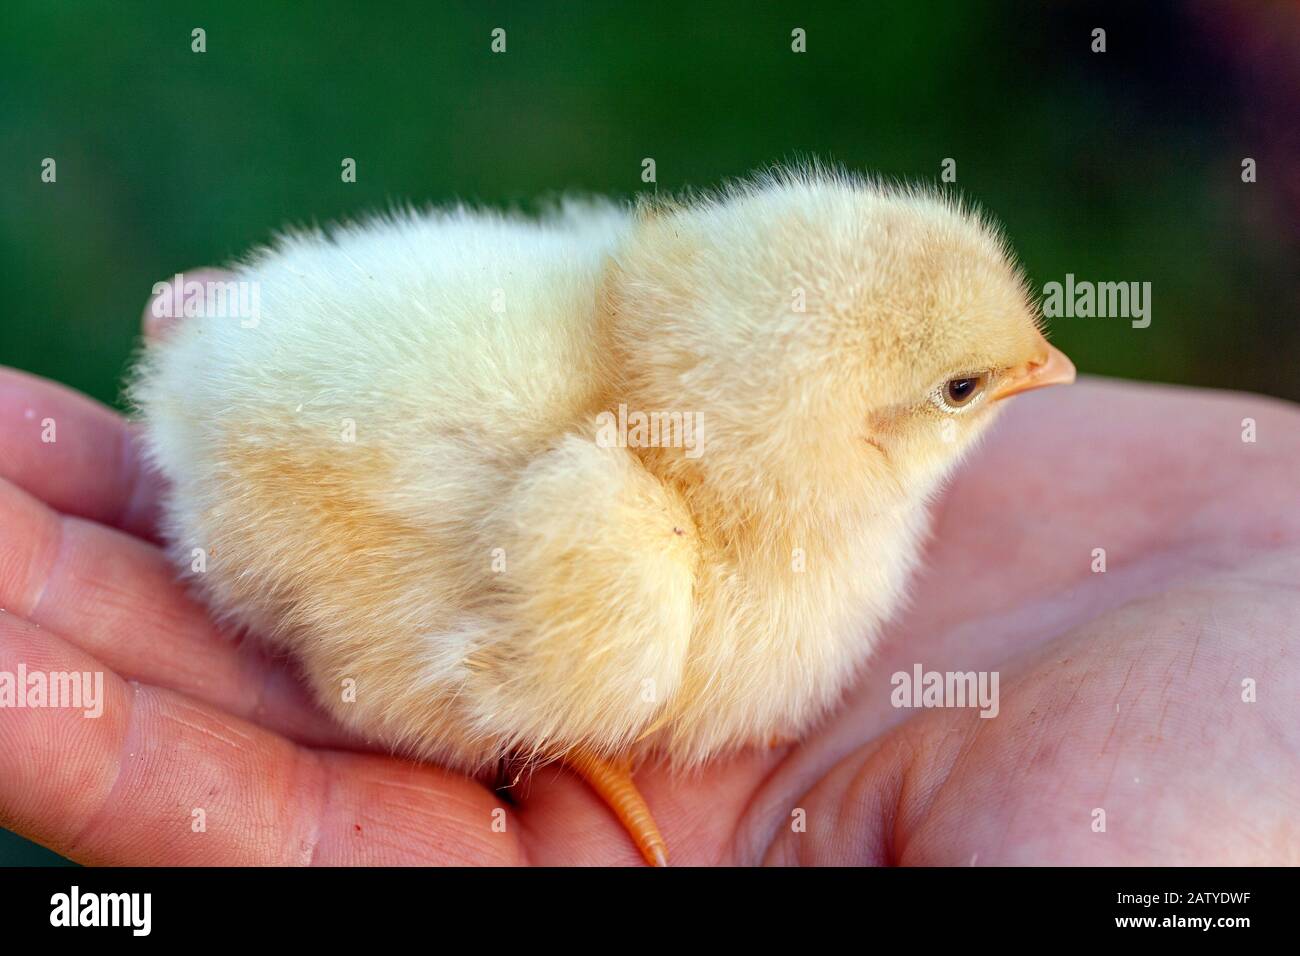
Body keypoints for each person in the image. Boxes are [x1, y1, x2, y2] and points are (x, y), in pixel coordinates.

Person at [0, 285, 1296, 865]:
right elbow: (400, 638)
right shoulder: (647, 555)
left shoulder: (631, 315)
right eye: (970, 386)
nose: (1040, 374)